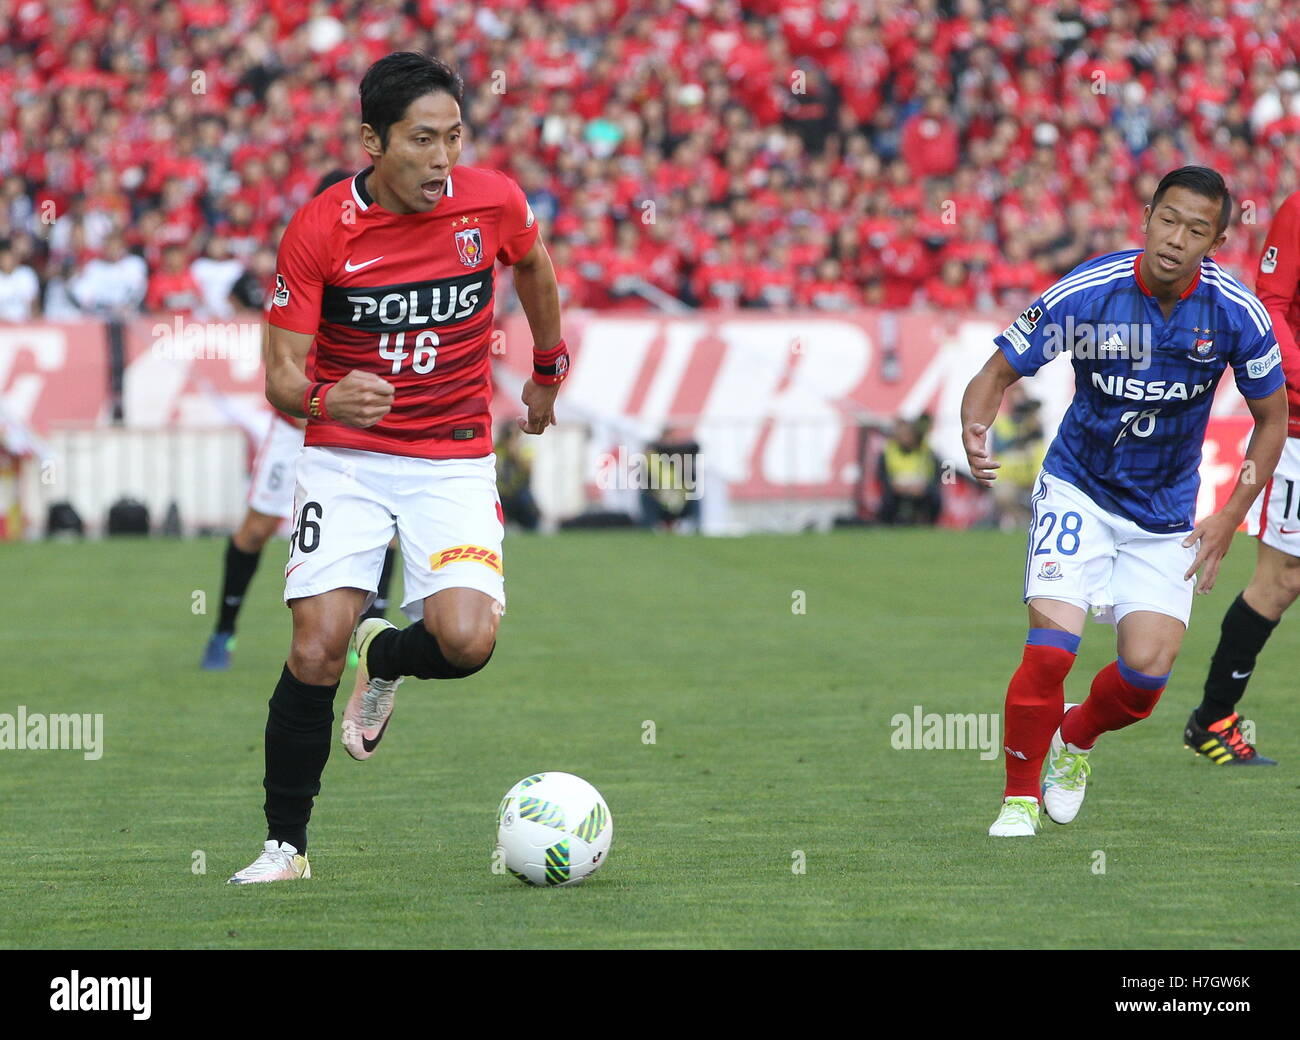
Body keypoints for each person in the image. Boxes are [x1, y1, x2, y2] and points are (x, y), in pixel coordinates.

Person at [229, 53, 567, 883]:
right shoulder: (318, 230)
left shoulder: (492, 201)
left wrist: (548, 368)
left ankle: (384, 662)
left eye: (454, 137)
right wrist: (322, 402)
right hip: (345, 460)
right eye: (423, 140)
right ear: (372, 140)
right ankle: (286, 848)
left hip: (451, 456)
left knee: (467, 641)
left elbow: (533, 265)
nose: (443, 159)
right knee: (314, 645)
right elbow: (279, 375)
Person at [961, 167, 1288, 838]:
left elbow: (1273, 421)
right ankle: (1018, 799)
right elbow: (998, 370)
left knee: (1145, 679)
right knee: (1051, 651)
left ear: (1217, 240)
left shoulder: (1235, 314)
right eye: (1168, 219)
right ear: (1147, 216)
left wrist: (1230, 515)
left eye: (1196, 229)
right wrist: (976, 423)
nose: (1176, 239)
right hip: (1079, 485)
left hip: (1165, 510)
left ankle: (1075, 738)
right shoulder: (1091, 291)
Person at [199, 171, 399, 672]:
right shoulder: (302, 270)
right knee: (257, 528)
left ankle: (365, 633)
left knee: (385, 529)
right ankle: (223, 631)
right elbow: (280, 364)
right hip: (299, 428)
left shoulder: (383, 271)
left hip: (361, 426)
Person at [1183, 188, 1300, 764]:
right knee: (1279, 581)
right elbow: (1272, 302)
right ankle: (1213, 719)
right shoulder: (1298, 209)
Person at [877, 416, 941, 525]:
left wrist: (924, 486)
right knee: (888, 499)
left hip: (920, 486)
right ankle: (886, 525)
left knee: (935, 497)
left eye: (908, 435)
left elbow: (936, 474)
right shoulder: (888, 450)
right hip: (897, 486)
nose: (905, 438)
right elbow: (882, 474)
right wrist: (893, 485)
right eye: (902, 435)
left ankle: (930, 524)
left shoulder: (926, 450)